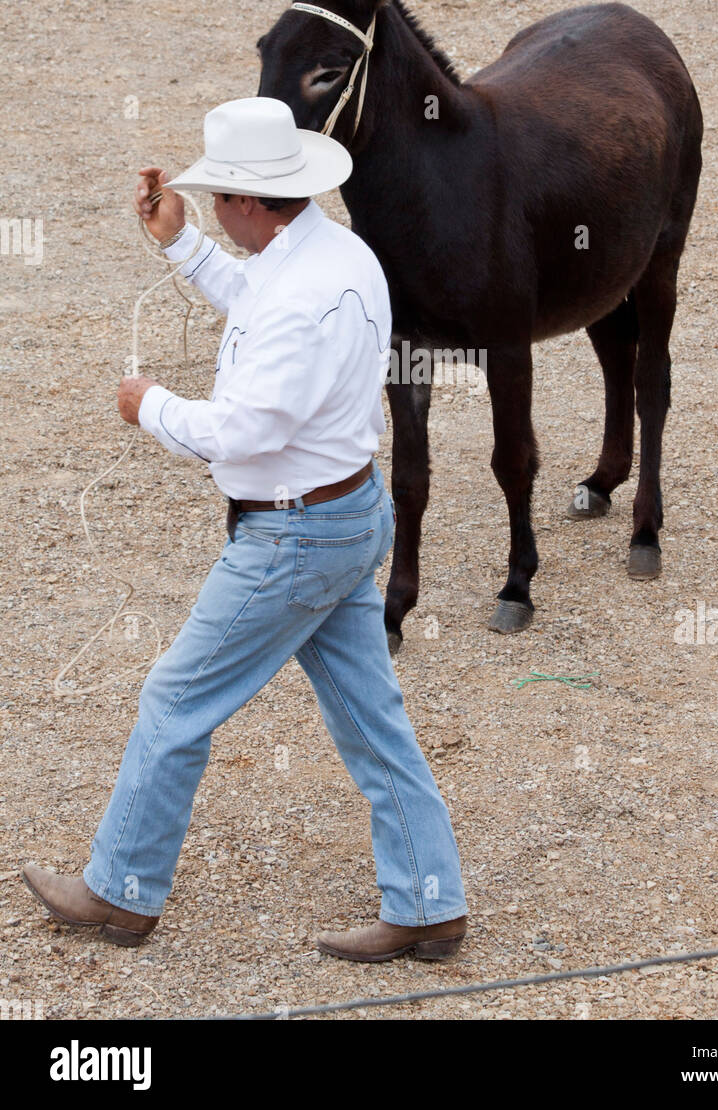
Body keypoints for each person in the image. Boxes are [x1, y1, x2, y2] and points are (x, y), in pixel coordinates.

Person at [23, 97, 468, 962]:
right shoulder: (331, 252)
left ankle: (120, 892)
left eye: (220, 198)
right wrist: (181, 242)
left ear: (251, 202)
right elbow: (252, 297)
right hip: (347, 515)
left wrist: (148, 404)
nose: (218, 209)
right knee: (373, 720)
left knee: (176, 699)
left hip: (293, 538)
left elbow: (242, 432)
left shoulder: (299, 294)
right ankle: (428, 901)